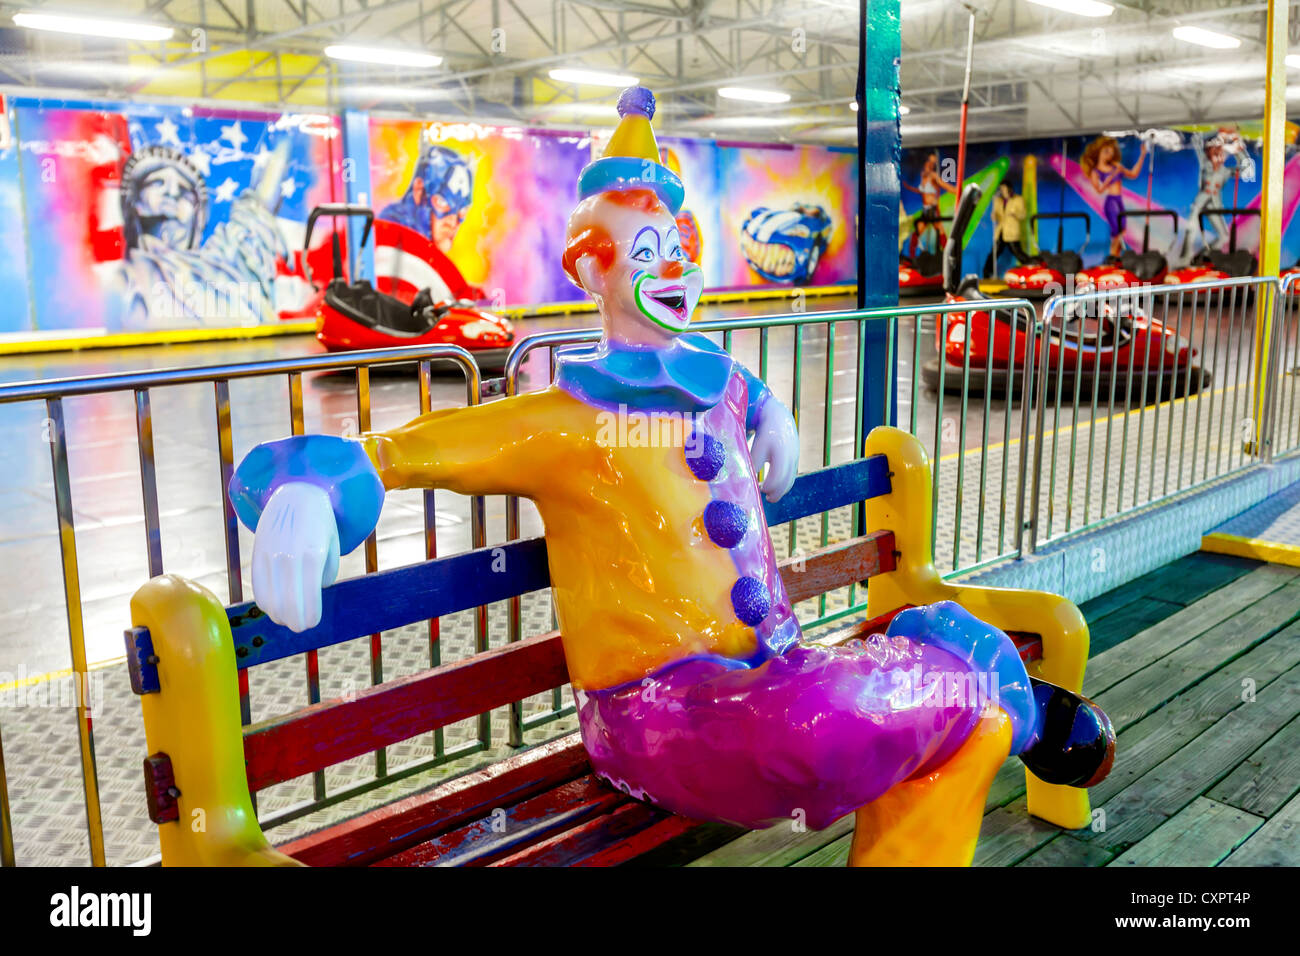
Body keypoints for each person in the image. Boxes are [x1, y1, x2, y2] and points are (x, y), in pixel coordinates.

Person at [228, 86, 1114, 866]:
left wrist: (771, 409)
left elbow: (742, 389)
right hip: (658, 717)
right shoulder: (560, 419)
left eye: (682, 251)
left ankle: (983, 690)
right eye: (648, 255)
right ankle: (989, 681)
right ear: (588, 268)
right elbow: (399, 450)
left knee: (962, 726)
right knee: (847, 715)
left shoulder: (718, 384)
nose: (678, 272)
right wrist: (306, 487)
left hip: (766, 679)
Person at [1080, 135, 1147, 259]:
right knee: (1117, 234)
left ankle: (1116, 258)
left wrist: (1142, 155)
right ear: (1099, 152)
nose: (1109, 155)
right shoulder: (1096, 172)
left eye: (1111, 152)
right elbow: (1099, 190)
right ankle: (1112, 258)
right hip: (1111, 202)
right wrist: (1111, 177)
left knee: (1123, 233)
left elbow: (1133, 174)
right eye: (1106, 151)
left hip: (1119, 200)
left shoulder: (1115, 166)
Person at [902, 150, 956, 257]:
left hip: (933, 209)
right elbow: (923, 192)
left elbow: (945, 186)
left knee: (941, 234)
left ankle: (949, 258)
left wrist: (958, 191)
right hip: (925, 209)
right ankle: (911, 259)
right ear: (925, 162)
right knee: (915, 235)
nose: (931, 165)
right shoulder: (923, 176)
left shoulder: (934, 176)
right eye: (929, 162)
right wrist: (909, 188)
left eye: (933, 163)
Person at [986, 182, 1029, 276]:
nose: (1003, 191)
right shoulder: (998, 201)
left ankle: (1031, 267)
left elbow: (1023, 215)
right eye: (1001, 189)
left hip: (1011, 231)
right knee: (994, 253)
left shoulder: (1018, 199)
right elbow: (996, 216)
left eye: (1004, 188)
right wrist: (994, 216)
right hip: (1001, 231)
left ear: (1009, 188)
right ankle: (987, 273)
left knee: (1017, 252)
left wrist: (1015, 213)